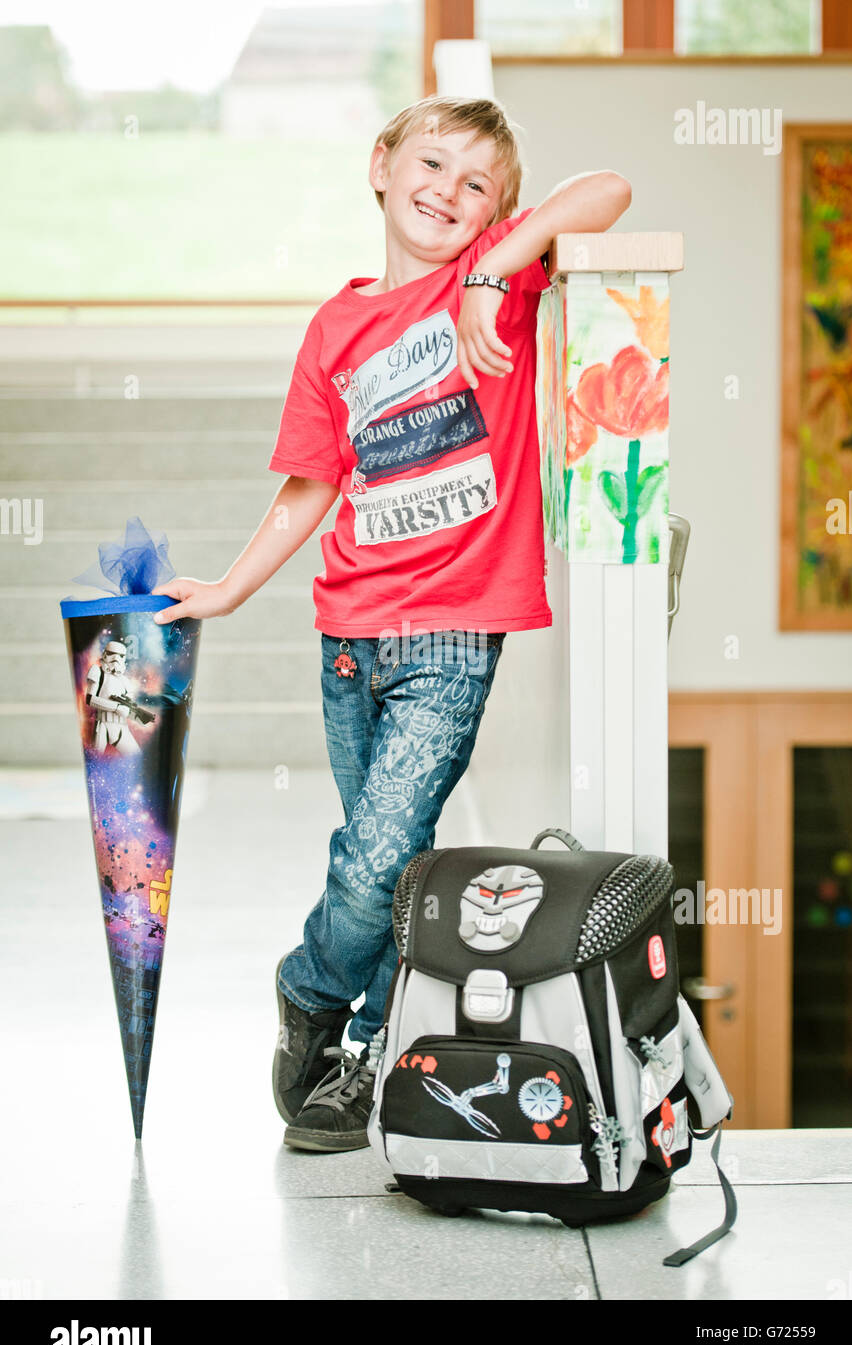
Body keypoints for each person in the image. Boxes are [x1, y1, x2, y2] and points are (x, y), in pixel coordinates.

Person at [152, 95, 631, 1153]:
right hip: (347, 638)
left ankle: (322, 1006)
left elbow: (606, 191)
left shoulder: (494, 288)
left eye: (477, 188)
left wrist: (505, 261)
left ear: (496, 214)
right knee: (387, 855)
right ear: (380, 165)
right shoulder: (335, 327)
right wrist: (227, 591)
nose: (447, 194)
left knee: (373, 862)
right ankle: (354, 1050)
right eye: (430, 165)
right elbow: (310, 485)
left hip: (454, 635)